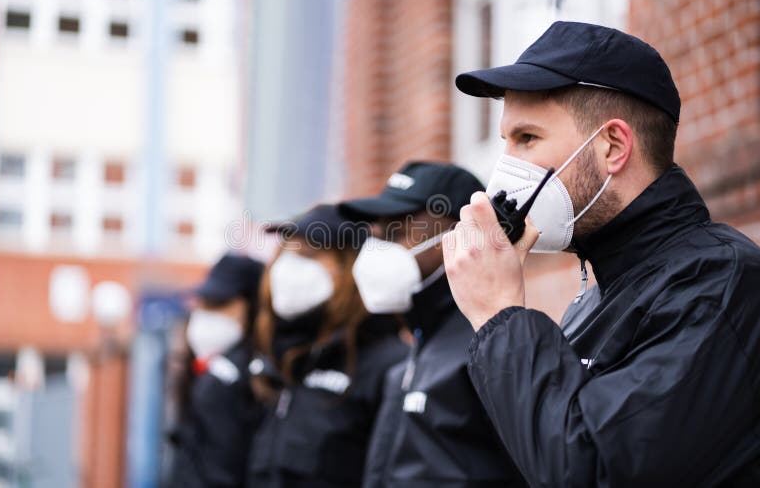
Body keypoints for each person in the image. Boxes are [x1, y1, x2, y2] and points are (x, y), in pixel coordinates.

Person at [445, 20, 760, 486]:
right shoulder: (595, 298)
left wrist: (499, 314)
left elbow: (595, 469)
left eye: (528, 138)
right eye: (506, 142)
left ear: (613, 146)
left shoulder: (721, 285)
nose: (506, 169)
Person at [338, 161, 527, 488]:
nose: (381, 247)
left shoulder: (490, 349)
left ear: (459, 231)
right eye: (377, 234)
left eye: (397, 231)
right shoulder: (418, 351)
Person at [247, 204, 408, 488]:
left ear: (350, 268)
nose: (290, 268)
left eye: (309, 254)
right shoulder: (284, 353)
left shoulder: (389, 365)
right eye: (287, 253)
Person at [169, 253, 266, 487]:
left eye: (219, 305)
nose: (204, 314)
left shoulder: (237, 378)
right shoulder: (205, 371)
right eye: (202, 304)